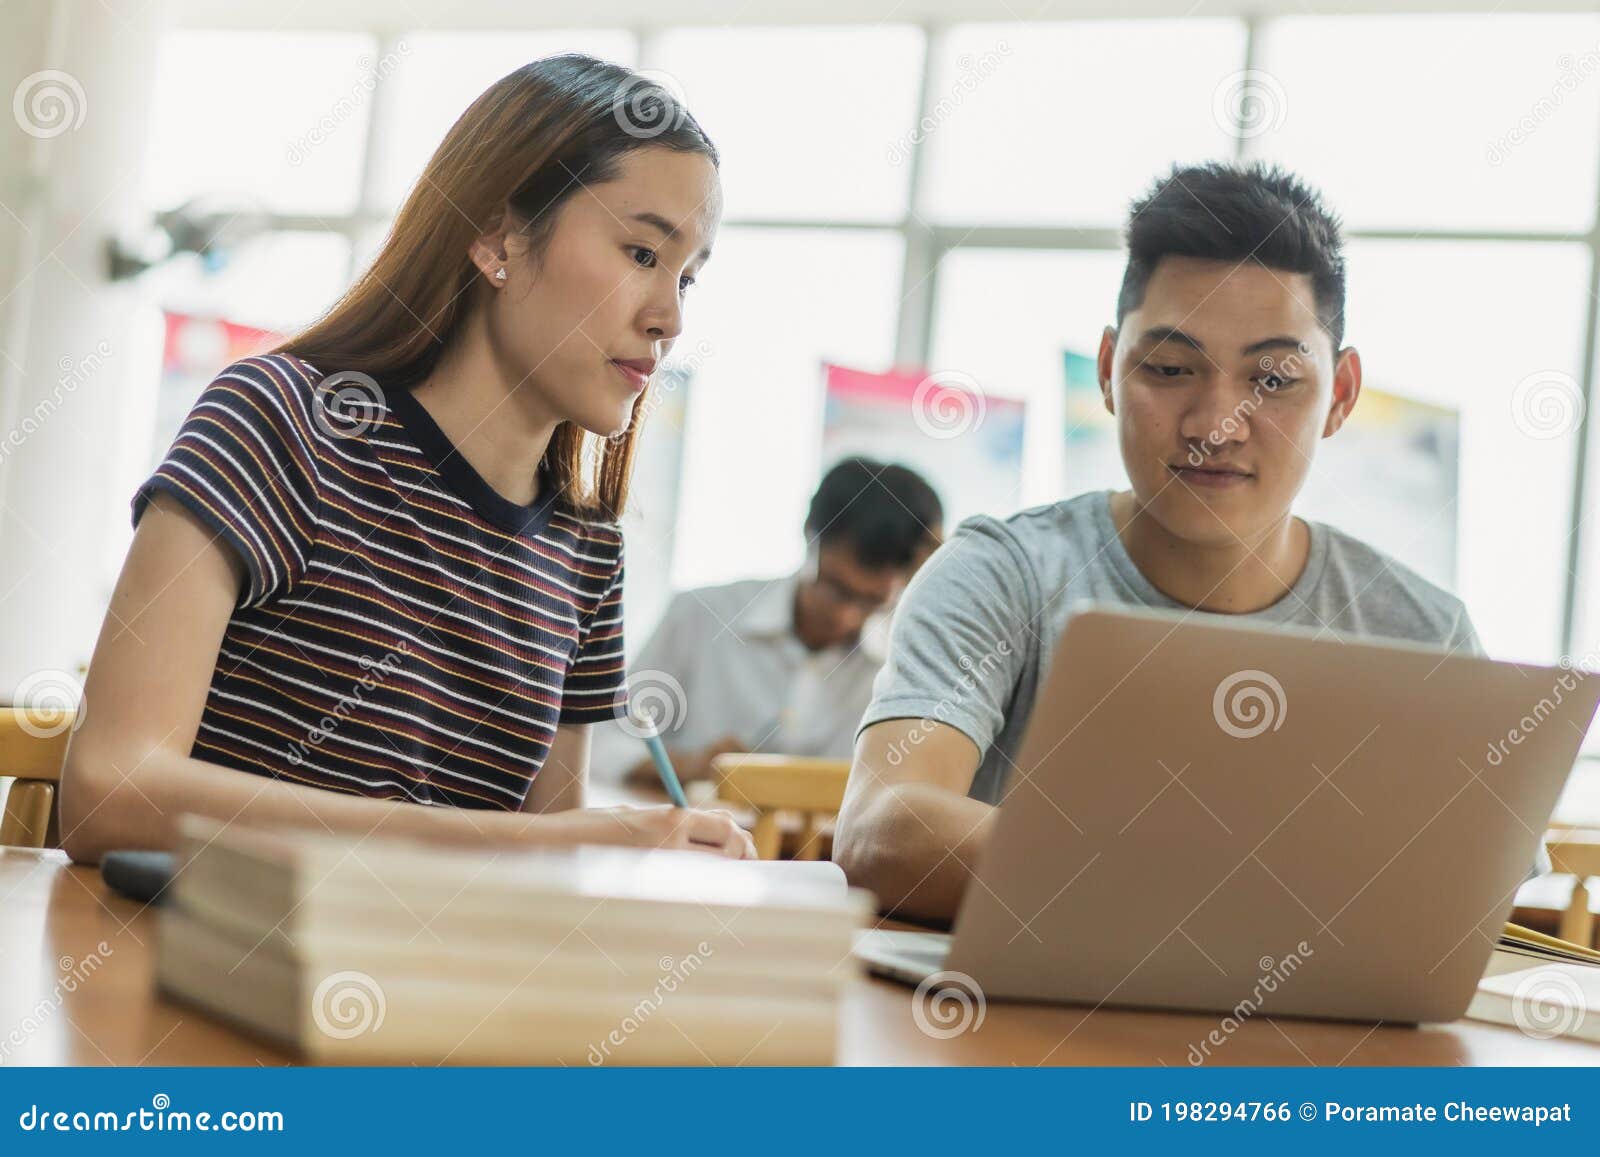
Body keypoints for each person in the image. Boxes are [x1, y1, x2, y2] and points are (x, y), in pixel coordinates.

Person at [59, 55, 755, 862]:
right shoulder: (281, 423)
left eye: (688, 278)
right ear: (498, 237)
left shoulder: (588, 547)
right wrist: (501, 843)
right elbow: (109, 792)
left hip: (427, 981)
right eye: (642, 254)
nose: (669, 317)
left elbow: (540, 870)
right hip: (194, 968)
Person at [834, 162, 1490, 923]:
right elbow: (884, 830)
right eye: (1172, 368)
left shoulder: (1422, 636)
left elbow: (1467, 903)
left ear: (1340, 396)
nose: (1216, 422)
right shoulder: (1002, 577)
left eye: (1273, 379)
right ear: (1110, 371)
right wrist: (1224, 886)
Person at [593, 456, 943, 786]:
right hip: (687, 845)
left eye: (872, 602)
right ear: (810, 537)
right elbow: (597, 740)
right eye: (835, 588)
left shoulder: (900, 669)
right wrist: (686, 766)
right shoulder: (701, 614)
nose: (845, 615)